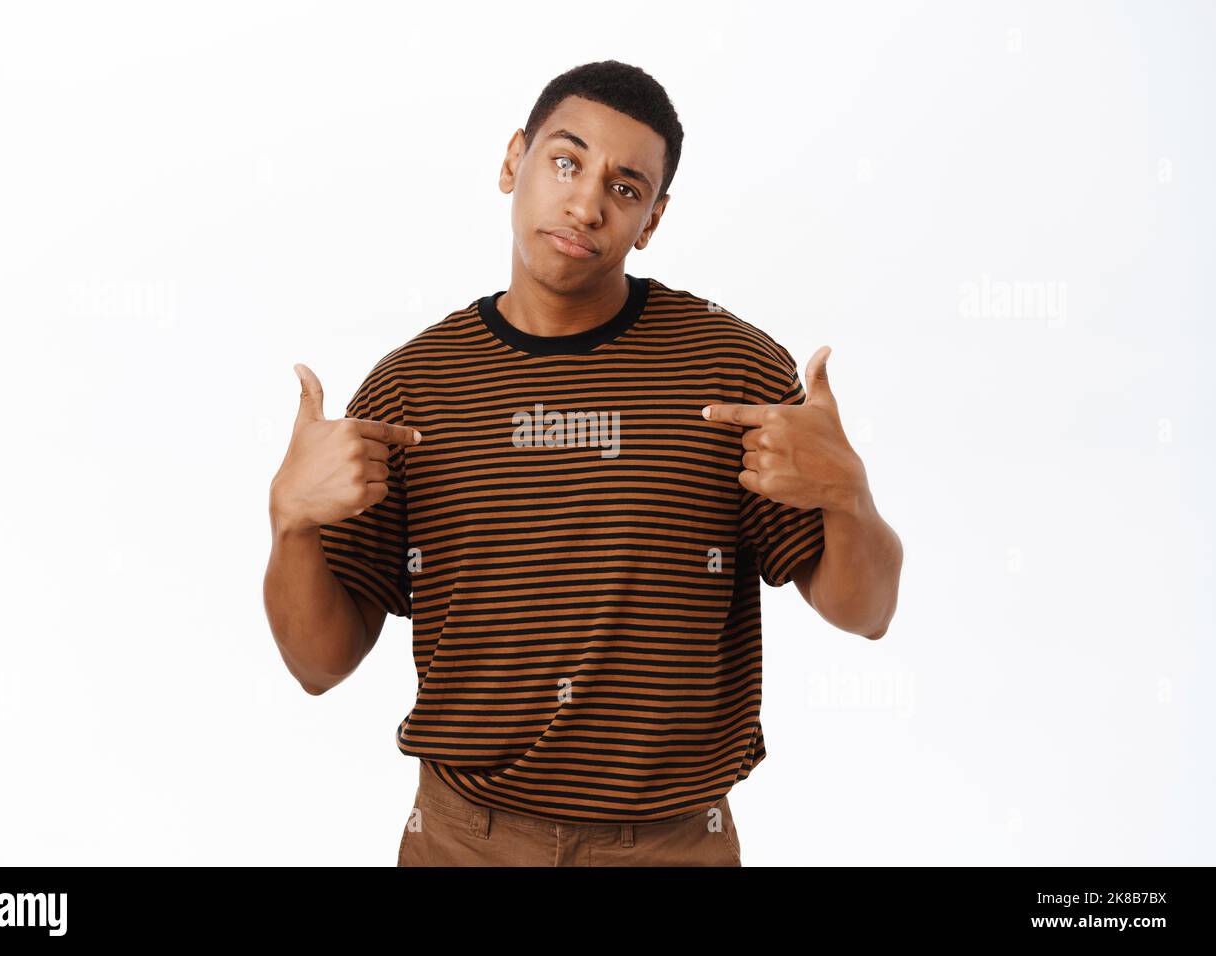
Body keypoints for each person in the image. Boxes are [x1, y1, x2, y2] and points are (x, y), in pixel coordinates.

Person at [263, 60, 903, 866]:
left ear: (652, 219)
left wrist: (849, 497)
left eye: (625, 187)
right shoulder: (411, 390)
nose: (586, 203)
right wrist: (289, 523)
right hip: (465, 841)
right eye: (566, 162)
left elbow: (866, 612)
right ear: (512, 162)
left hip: (673, 846)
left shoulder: (731, 371)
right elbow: (319, 665)